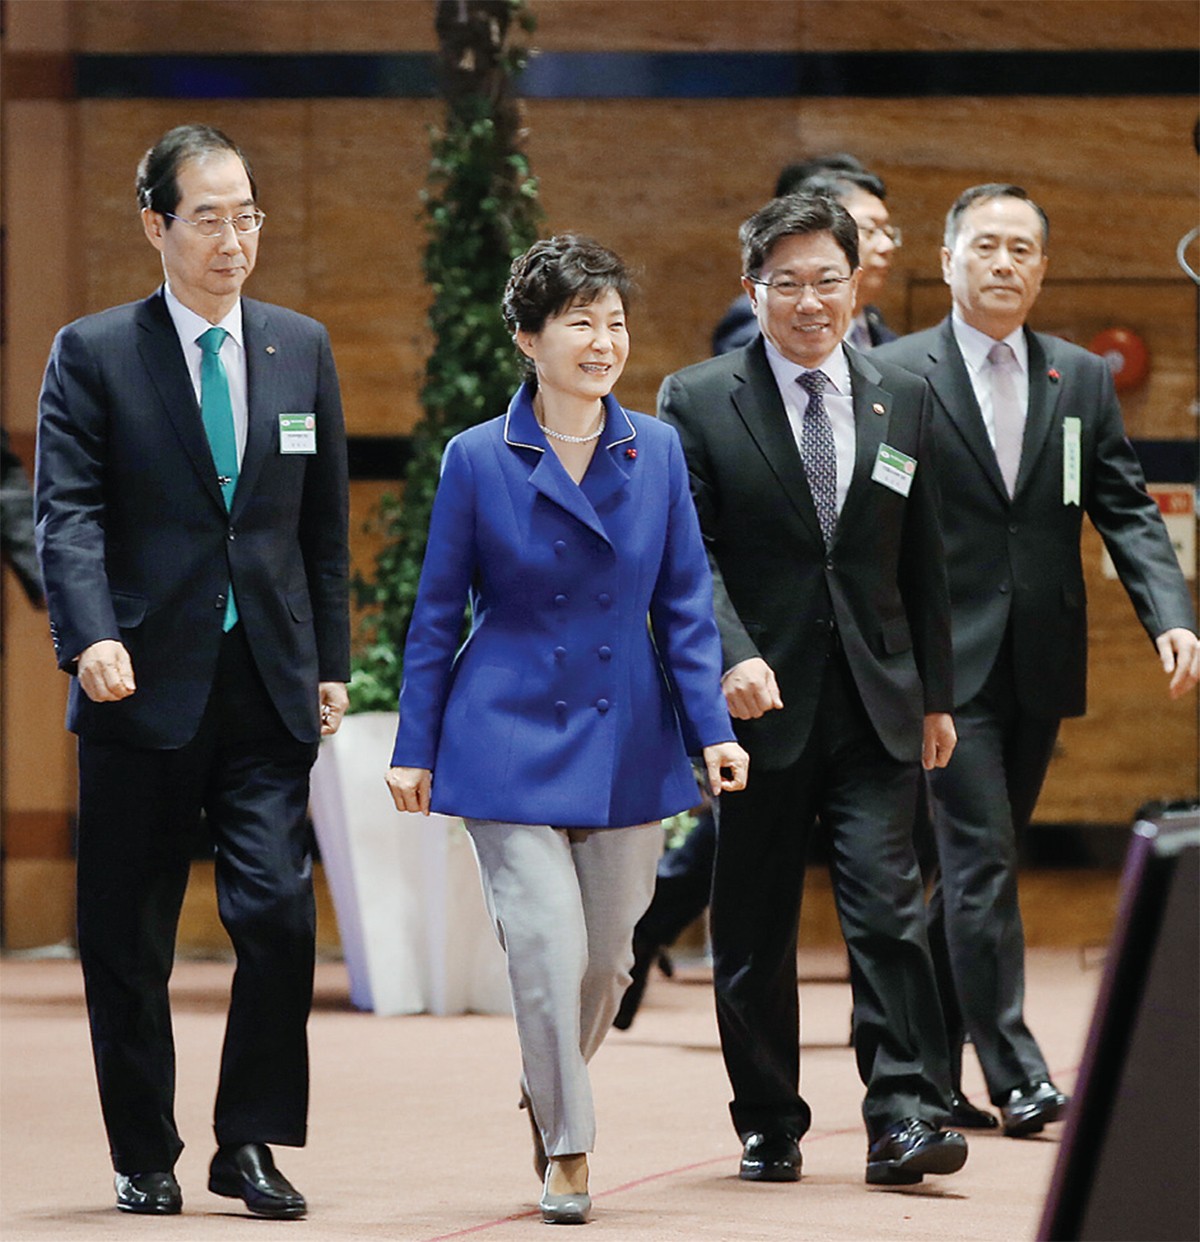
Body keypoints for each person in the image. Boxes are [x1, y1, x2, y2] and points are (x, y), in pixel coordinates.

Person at [385, 235, 748, 1226]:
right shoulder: (476, 457)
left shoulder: (656, 450)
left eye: (614, 322)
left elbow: (684, 606)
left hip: (627, 735)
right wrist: (413, 746)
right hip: (502, 733)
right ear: (528, 338)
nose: (603, 342)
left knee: (607, 962)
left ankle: (547, 1083)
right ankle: (569, 1147)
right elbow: (436, 614)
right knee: (544, 947)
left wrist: (711, 730)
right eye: (580, 322)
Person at [34, 123, 350, 1219]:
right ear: (155, 226)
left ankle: (248, 1142)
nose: (232, 240)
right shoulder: (95, 352)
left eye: (246, 216)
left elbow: (320, 527)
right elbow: (67, 514)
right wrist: (90, 634)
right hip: (137, 682)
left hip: (266, 680)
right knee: (129, 939)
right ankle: (144, 1149)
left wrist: (332, 661)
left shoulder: (300, 346)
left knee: (279, 918)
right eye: (208, 218)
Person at [874, 183, 1200, 1136]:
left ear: (1044, 269)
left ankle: (931, 1071)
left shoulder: (1079, 377)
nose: (1004, 263)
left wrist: (1170, 616)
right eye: (986, 246)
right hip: (941, 669)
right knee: (980, 859)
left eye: (1022, 249)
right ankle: (1018, 1073)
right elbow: (870, 522)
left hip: (1040, 659)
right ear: (948, 260)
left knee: (976, 864)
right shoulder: (895, 371)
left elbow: (1124, 506)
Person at [659, 193, 967, 1187]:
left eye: (827, 280)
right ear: (751, 290)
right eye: (785, 282)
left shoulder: (902, 394)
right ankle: (767, 1118)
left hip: (878, 697)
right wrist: (731, 656)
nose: (809, 301)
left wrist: (938, 695)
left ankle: (904, 1115)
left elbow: (923, 555)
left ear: (855, 283)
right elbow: (687, 556)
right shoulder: (699, 398)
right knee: (754, 925)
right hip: (759, 705)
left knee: (890, 911)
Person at [712, 157, 899, 356]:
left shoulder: (872, 319)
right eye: (870, 229)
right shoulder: (758, 319)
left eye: (887, 232)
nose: (886, 246)